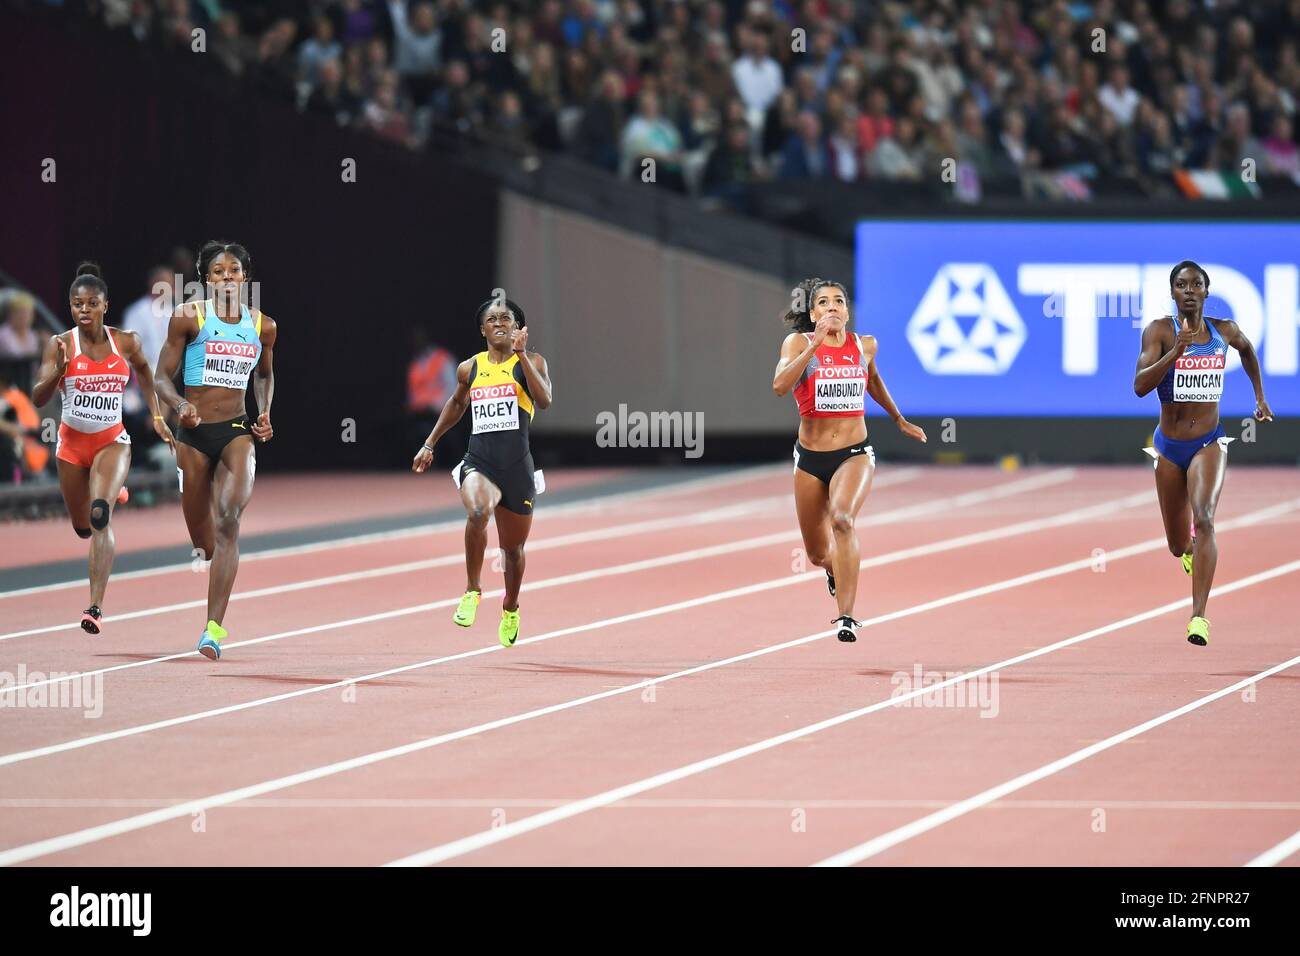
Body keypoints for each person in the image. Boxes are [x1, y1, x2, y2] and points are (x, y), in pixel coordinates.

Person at [772, 278, 927, 643]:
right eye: (823, 303)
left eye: (839, 302)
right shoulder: (797, 343)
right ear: (813, 313)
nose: (832, 308)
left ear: (847, 310)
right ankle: (833, 569)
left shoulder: (864, 344)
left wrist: (899, 419)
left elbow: (872, 381)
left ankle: (846, 617)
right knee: (816, 554)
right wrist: (813, 346)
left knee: (842, 519)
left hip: (854, 454)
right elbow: (780, 386)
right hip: (810, 458)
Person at [1134, 260, 1273, 646]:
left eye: (1196, 284)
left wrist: (1259, 398)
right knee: (1178, 544)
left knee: (1206, 517)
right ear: (1173, 293)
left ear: (1206, 292)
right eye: (1182, 285)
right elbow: (1140, 386)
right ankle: (1190, 550)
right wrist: (1173, 354)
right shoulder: (1159, 332)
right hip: (1167, 446)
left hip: (1208, 442)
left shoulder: (1222, 331)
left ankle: (1199, 618)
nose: (1189, 290)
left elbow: (1247, 350)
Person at [30, 263, 174, 633]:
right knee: (82, 527)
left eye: (92, 303)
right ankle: (112, 491)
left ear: (105, 306)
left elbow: (145, 372)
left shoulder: (125, 341)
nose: (84, 310)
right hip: (72, 447)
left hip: (111, 441)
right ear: (70, 306)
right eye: (78, 304)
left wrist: (157, 416)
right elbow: (37, 397)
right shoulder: (59, 344)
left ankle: (94, 606)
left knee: (99, 517)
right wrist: (57, 372)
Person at [153, 241, 277, 660]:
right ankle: (209, 555)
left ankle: (212, 630)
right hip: (192, 437)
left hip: (236, 432)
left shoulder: (263, 325)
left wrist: (265, 412)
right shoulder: (189, 317)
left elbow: (264, 375)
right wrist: (181, 405)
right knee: (204, 542)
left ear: (245, 277)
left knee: (228, 522)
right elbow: (159, 379)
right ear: (207, 278)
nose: (227, 277)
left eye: (234, 271)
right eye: (219, 271)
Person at [412, 295, 552, 648]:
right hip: (480, 461)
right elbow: (456, 403)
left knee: (513, 551)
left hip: (517, 468)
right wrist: (430, 444)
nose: (500, 323)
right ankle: (473, 590)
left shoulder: (532, 362)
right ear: (483, 329)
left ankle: (510, 606)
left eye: (508, 318)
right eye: (493, 319)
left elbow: (545, 399)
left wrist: (521, 355)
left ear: (519, 328)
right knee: (477, 511)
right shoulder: (469, 369)